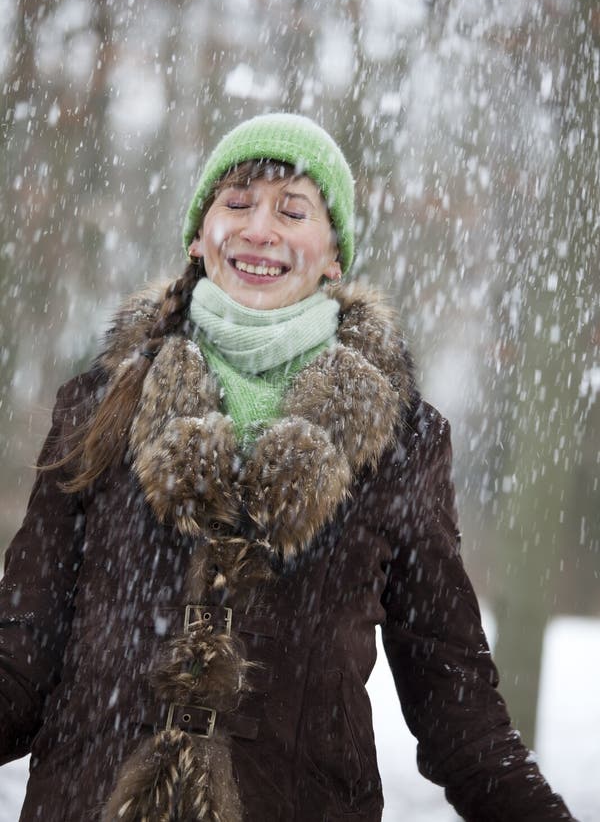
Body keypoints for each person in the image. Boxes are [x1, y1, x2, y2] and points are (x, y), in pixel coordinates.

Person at [0, 113, 575, 822]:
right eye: (236, 203)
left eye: (292, 210)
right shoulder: (98, 405)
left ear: (335, 255)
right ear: (197, 235)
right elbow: (20, 657)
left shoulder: (403, 442)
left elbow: (456, 700)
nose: (259, 230)